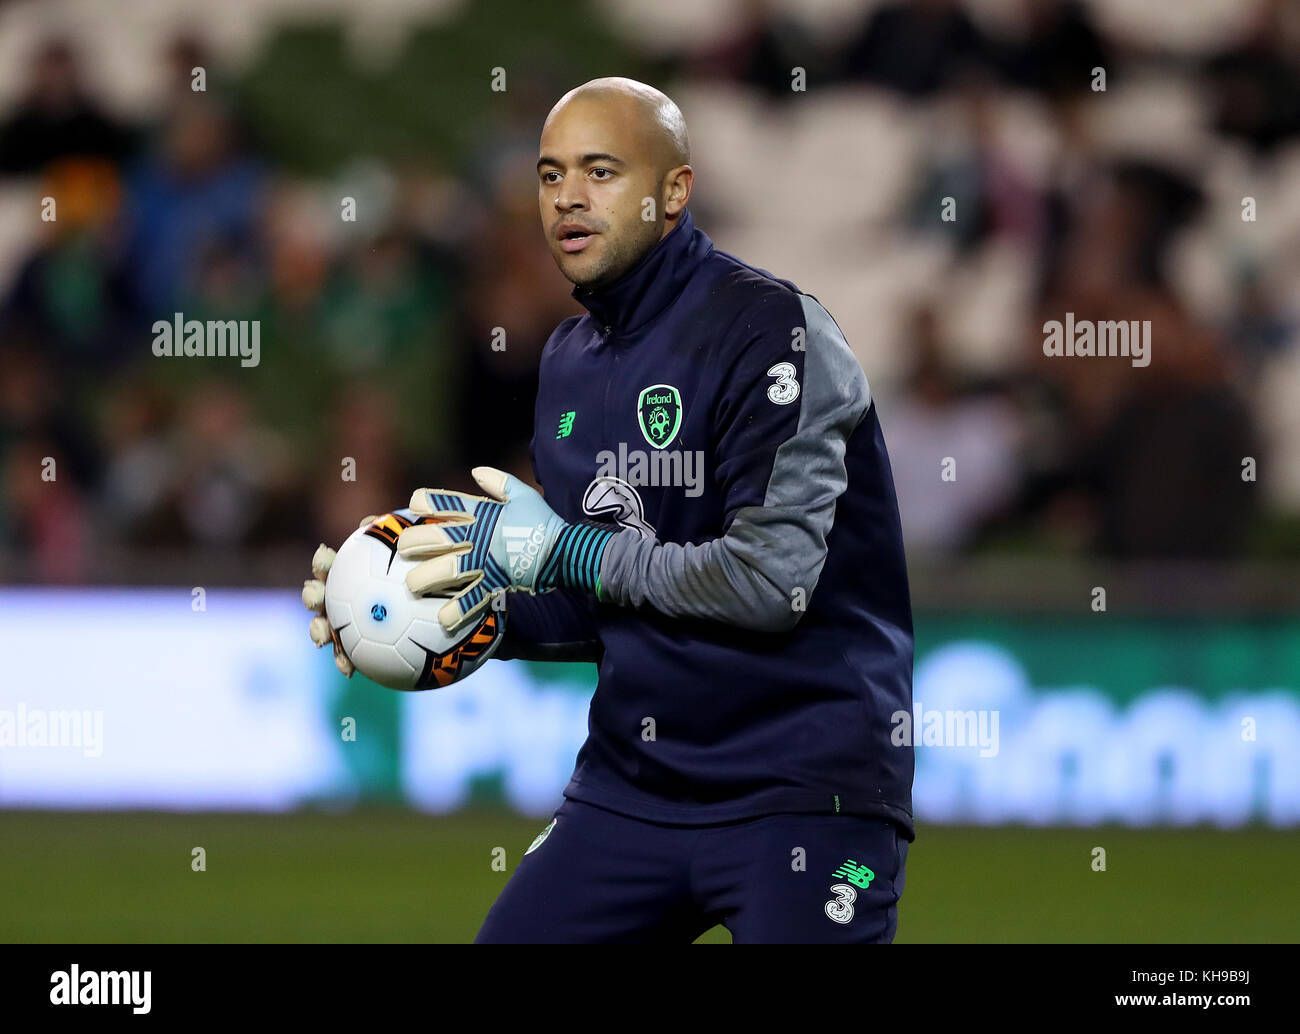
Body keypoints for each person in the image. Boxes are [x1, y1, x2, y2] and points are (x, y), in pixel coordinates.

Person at [306, 78, 914, 943]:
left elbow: (768, 583)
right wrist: (439, 609)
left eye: (602, 171)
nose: (569, 199)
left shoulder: (773, 333)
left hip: (804, 789)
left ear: (674, 192)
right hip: (634, 788)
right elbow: (605, 601)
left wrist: (566, 553)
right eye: (552, 176)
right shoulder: (568, 361)